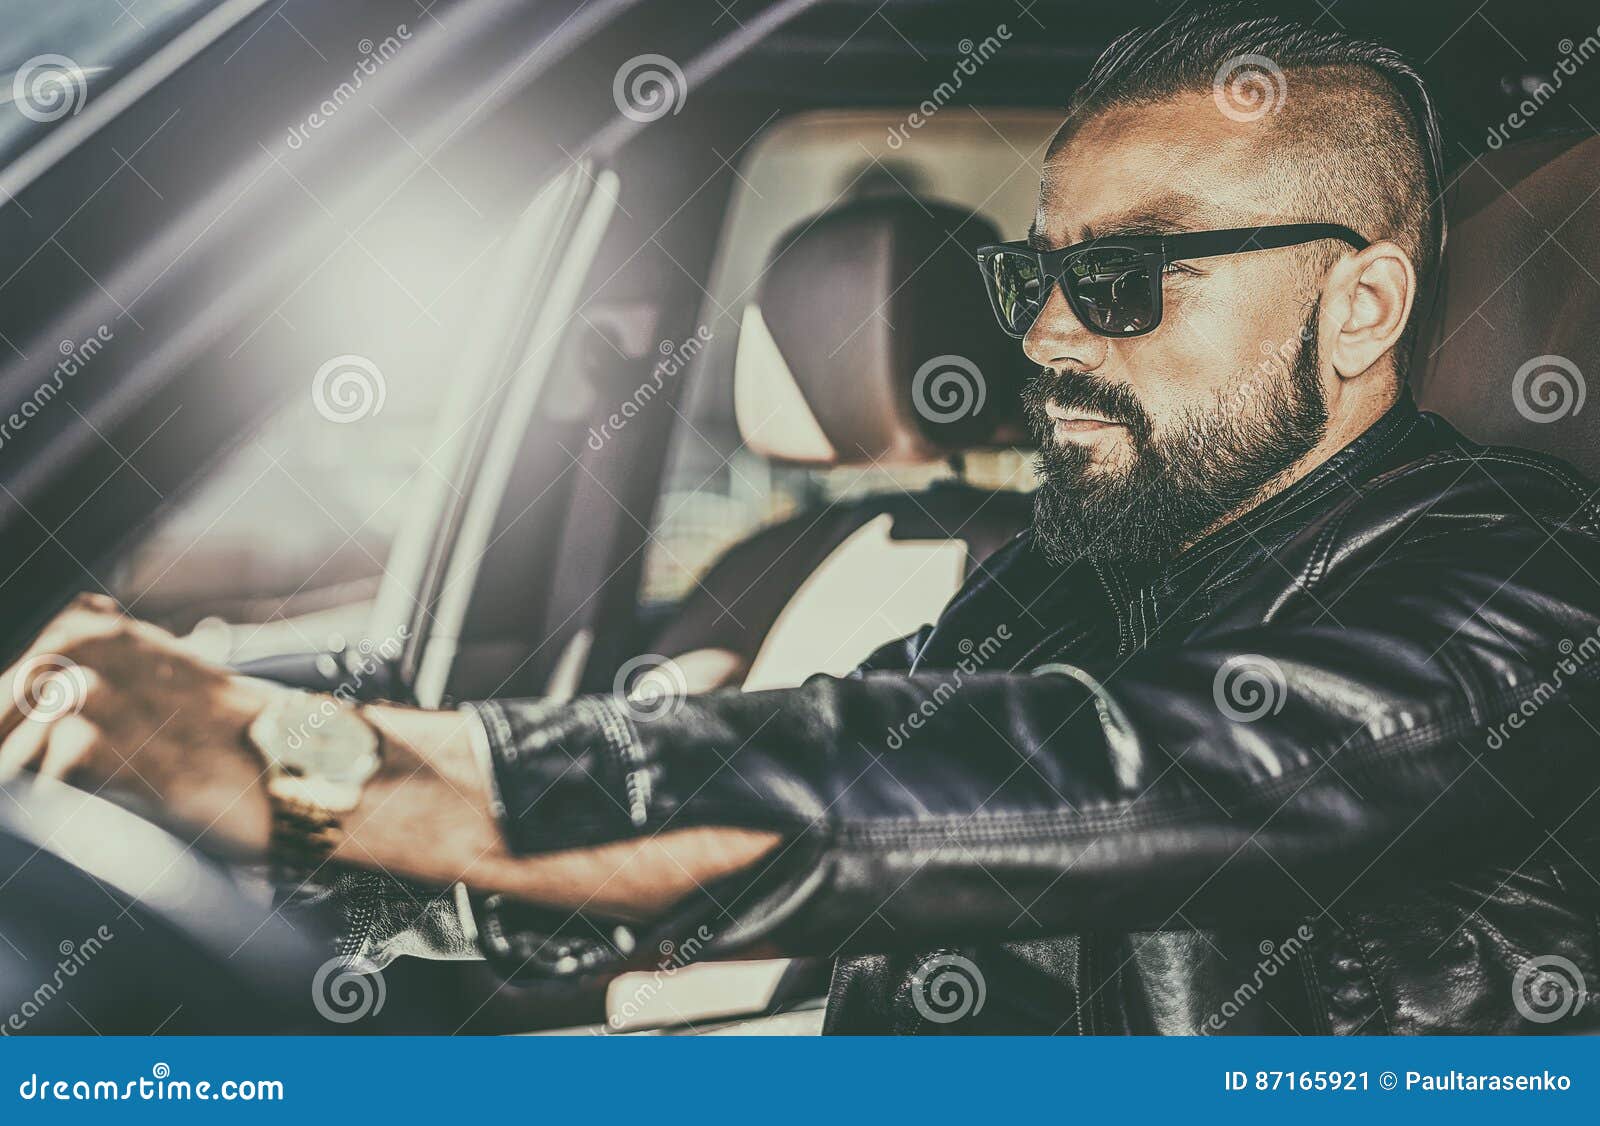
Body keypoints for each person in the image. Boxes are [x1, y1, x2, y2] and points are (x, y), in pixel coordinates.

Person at [4, 7, 1600, 1034]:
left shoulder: (1522, 603)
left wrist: (314, 770)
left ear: (1361, 305)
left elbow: (1022, 778)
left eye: (1123, 279)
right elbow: (817, 757)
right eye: (1032, 276)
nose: (1046, 335)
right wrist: (284, 841)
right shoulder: (1062, 579)